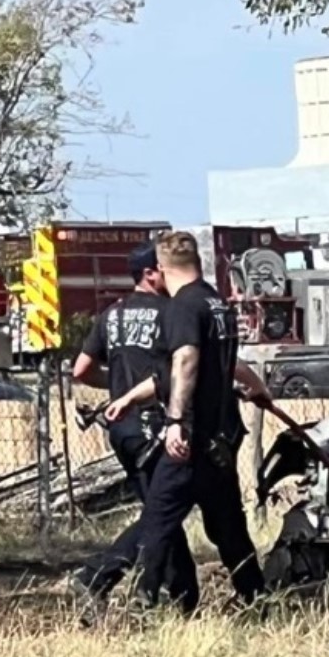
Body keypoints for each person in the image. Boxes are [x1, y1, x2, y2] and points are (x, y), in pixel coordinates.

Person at [131, 230, 273, 612]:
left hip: (189, 440)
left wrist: (176, 420)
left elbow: (187, 360)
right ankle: (254, 596)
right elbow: (220, 366)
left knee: (158, 518)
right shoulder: (216, 302)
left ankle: (145, 599)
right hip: (221, 440)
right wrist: (250, 389)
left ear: (160, 269)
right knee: (228, 527)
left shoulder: (183, 306)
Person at [68, 242, 198, 618]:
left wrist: (117, 388)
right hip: (157, 427)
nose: (168, 275)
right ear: (149, 274)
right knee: (163, 511)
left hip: (120, 428)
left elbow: (80, 371)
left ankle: (184, 594)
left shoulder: (112, 315)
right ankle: (97, 575)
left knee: (161, 511)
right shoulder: (172, 313)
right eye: (161, 269)